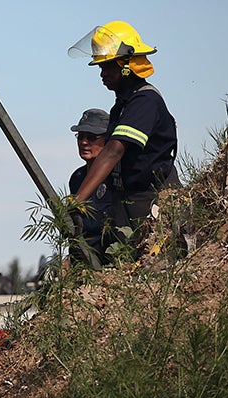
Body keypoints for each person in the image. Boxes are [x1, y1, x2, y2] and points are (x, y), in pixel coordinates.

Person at [68, 21, 178, 259]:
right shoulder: (123, 105)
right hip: (127, 201)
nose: (103, 74)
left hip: (151, 200)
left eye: (107, 66)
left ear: (126, 65)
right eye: (101, 67)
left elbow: (113, 151)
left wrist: (78, 200)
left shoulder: (144, 102)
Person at [68, 108, 114, 265]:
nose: (84, 142)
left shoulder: (116, 178)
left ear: (107, 140)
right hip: (83, 262)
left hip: (109, 262)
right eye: (80, 136)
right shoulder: (77, 178)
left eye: (92, 137)